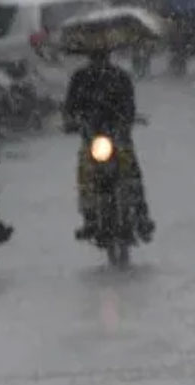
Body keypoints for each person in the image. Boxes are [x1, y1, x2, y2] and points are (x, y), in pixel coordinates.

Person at [62, 49, 155, 241]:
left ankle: (140, 213)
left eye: (101, 56)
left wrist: (125, 122)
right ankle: (89, 215)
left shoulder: (120, 77)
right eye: (95, 56)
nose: (99, 60)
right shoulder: (80, 78)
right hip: (92, 137)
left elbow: (129, 106)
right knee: (85, 170)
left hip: (117, 136)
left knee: (131, 168)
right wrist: (72, 122)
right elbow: (70, 107)